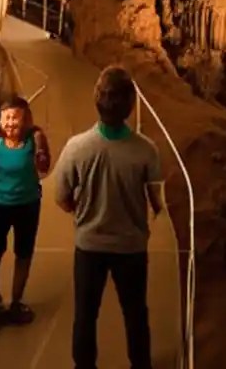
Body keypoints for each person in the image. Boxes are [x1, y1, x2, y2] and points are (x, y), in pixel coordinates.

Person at [55, 66, 165, 369]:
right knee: (135, 313)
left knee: (86, 314)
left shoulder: (77, 148)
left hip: (89, 246)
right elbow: (158, 203)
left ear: (96, 100)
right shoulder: (146, 151)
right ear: (131, 105)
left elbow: (61, 197)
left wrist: (84, 213)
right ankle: (140, 364)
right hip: (131, 247)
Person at [0, 96, 52, 328]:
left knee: (24, 252)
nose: (11, 123)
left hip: (27, 205)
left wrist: (40, 150)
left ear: (26, 120)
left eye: (16, 118)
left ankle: (16, 300)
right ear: (0, 120)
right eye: (7, 118)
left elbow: (44, 166)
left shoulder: (34, 139)